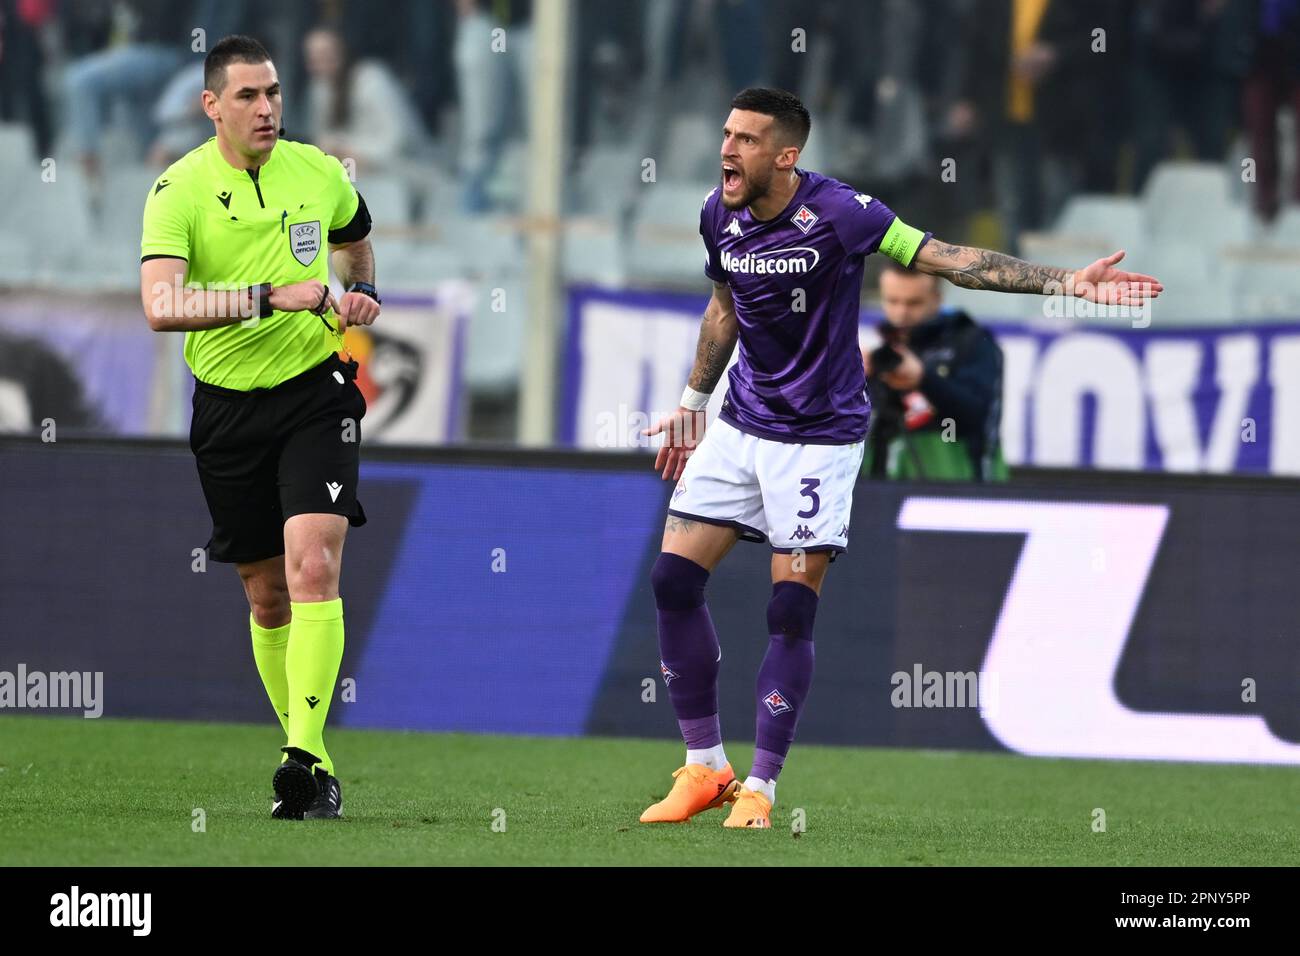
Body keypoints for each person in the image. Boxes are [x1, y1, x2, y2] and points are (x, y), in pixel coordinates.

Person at [640, 87, 1160, 829]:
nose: (728, 149)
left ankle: (760, 787)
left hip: (818, 439)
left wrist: (1064, 282)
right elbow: (724, 309)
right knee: (671, 580)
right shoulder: (714, 213)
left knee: (789, 609)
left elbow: (953, 262)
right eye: (727, 133)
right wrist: (692, 407)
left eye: (747, 139)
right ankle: (703, 767)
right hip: (739, 423)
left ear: (786, 156)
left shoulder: (846, 214)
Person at [138, 34, 381, 820]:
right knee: (268, 596)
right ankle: (319, 768)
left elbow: (354, 240)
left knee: (314, 565)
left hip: (315, 395)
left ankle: (300, 753)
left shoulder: (318, 170)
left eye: (273, 92)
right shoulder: (176, 190)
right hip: (227, 409)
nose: (267, 108)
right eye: (247, 96)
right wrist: (263, 296)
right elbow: (160, 306)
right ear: (212, 106)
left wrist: (364, 289)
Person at [863, 259, 1008, 481]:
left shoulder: (972, 342)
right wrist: (850, 380)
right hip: (884, 490)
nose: (901, 313)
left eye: (913, 303)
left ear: (937, 299)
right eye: (893, 301)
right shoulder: (884, 353)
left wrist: (923, 379)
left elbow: (979, 416)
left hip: (959, 490)